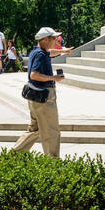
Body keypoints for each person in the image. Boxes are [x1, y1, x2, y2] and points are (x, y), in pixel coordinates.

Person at [14, 27, 65, 157]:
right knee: (51, 130)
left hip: (35, 98)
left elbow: (51, 53)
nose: (56, 41)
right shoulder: (41, 55)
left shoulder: (37, 52)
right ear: (45, 39)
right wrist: (54, 78)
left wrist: (63, 51)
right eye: (54, 38)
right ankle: (52, 162)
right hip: (44, 99)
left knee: (34, 129)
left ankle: (14, 155)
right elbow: (34, 75)